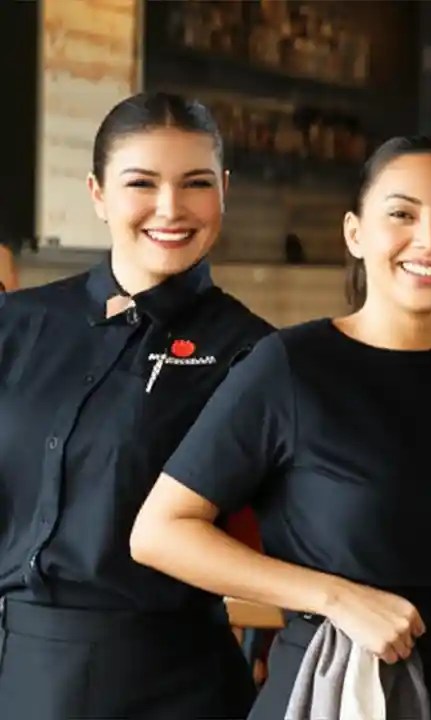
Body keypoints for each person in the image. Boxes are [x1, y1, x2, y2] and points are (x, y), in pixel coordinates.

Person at [130, 135, 431, 720]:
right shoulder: (290, 366)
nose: (430, 241)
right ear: (355, 234)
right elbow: (159, 533)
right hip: (335, 691)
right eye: (402, 214)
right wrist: (335, 597)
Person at [0, 92, 272, 718]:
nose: (171, 209)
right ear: (97, 192)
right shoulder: (17, 325)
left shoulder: (254, 353)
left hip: (176, 681)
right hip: (19, 669)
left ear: (223, 191)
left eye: (196, 183)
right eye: (141, 183)